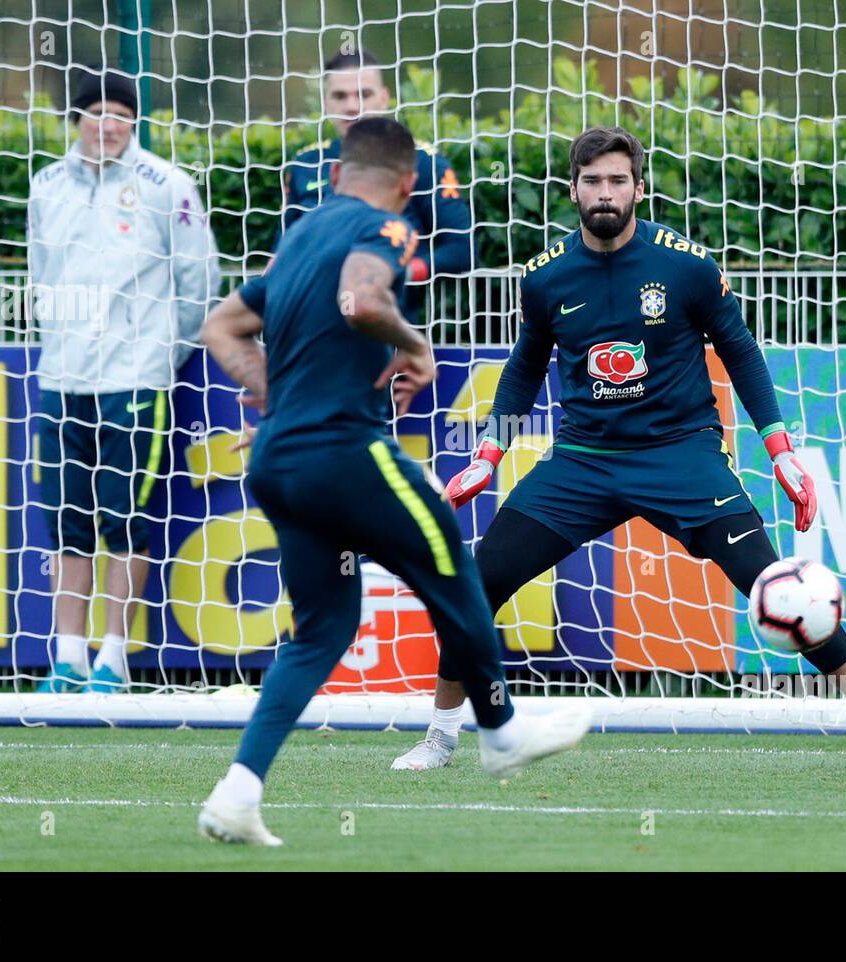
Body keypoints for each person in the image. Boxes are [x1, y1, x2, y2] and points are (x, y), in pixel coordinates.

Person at [391, 126, 846, 773]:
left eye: (618, 180)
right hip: (583, 461)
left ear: (639, 187)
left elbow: (741, 350)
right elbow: (525, 366)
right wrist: (489, 454)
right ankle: (441, 737)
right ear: (573, 189)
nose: (605, 193)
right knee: (478, 583)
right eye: (593, 181)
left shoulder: (686, 266)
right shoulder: (544, 279)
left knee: (778, 588)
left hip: (682, 455)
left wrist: (780, 451)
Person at [196, 117, 590, 846]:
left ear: (337, 171)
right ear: (409, 185)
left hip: (277, 459)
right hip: (344, 450)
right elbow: (362, 300)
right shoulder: (388, 228)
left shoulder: (301, 234)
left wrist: (275, 397)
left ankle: (236, 794)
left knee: (322, 631)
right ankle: (500, 729)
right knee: (451, 554)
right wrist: (418, 346)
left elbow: (221, 326)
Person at [29, 69, 220, 693]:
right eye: (95, 113)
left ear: (134, 121)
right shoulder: (46, 185)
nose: (107, 124)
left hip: (135, 377)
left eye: (119, 113)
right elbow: (40, 276)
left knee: (124, 515)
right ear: (76, 120)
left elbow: (199, 282)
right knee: (65, 517)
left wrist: (162, 354)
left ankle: (112, 657)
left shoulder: (168, 185)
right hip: (61, 378)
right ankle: (66, 656)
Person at [280, 49, 472, 320]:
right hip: (311, 325)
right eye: (340, 96)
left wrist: (402, 273)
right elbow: (284, 248)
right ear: (326, 103)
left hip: (391, 326)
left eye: (363, 94)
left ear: (384, 98)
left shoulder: (424, 162)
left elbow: (461, 250)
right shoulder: (305, 164)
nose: (351, 106)